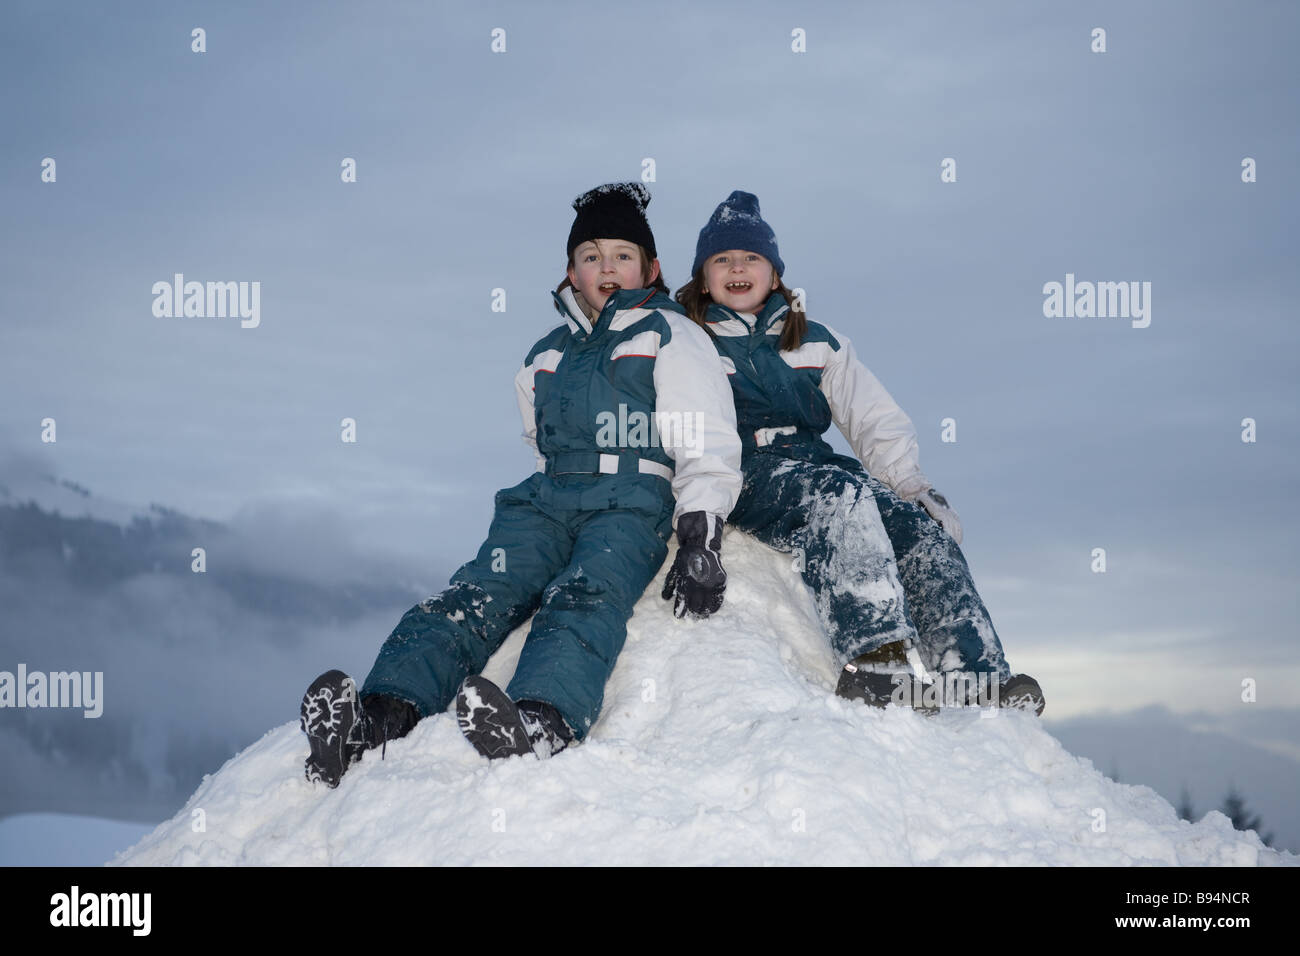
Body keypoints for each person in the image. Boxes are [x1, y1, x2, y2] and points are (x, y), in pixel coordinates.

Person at [300, 183, 742, 786]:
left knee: (583, 595)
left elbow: (706, 438)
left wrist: (702, 531)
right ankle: (379, 717)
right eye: (591, 255)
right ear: (571, 271)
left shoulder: (670, 334)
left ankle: (541, 719)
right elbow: (540, 436)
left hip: (630, 501)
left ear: (651, 267)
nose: (606, 267)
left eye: (621, 254)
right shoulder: (546, 354)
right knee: (474, 594)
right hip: (546, 500)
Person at [675, 190, 1044, 714]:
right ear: (704, 276)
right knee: (840, 497)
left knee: (913, 525)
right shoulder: (689, 338)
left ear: (775, 274)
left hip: (813, 462)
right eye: (722, 259)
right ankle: (877, 659)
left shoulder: (816, 340)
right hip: (742, 471)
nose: (738, 267)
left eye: (751, 257)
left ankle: (975, 671)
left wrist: (911, 484)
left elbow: (870, 416)